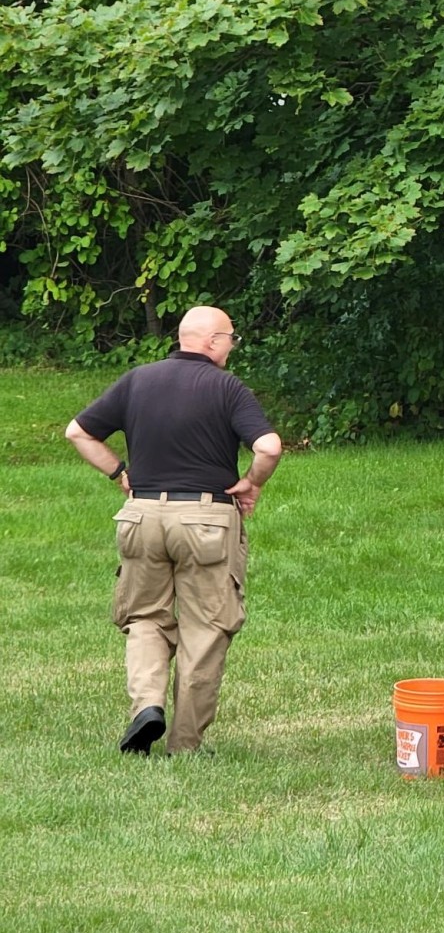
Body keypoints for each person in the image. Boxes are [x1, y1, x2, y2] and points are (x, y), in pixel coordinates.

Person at [64, 306, 283, 755]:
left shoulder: (138, 380)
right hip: (205, 519)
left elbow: (77, 432)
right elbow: (268, 446)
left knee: (145, 617)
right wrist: (252, 482)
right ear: (210, 341)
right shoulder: (227, 387)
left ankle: (147, 706)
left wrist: (119, 473)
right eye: (230, 339)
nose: (231, 346)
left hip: (140, 516)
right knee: (206, 626)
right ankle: (185, 745)